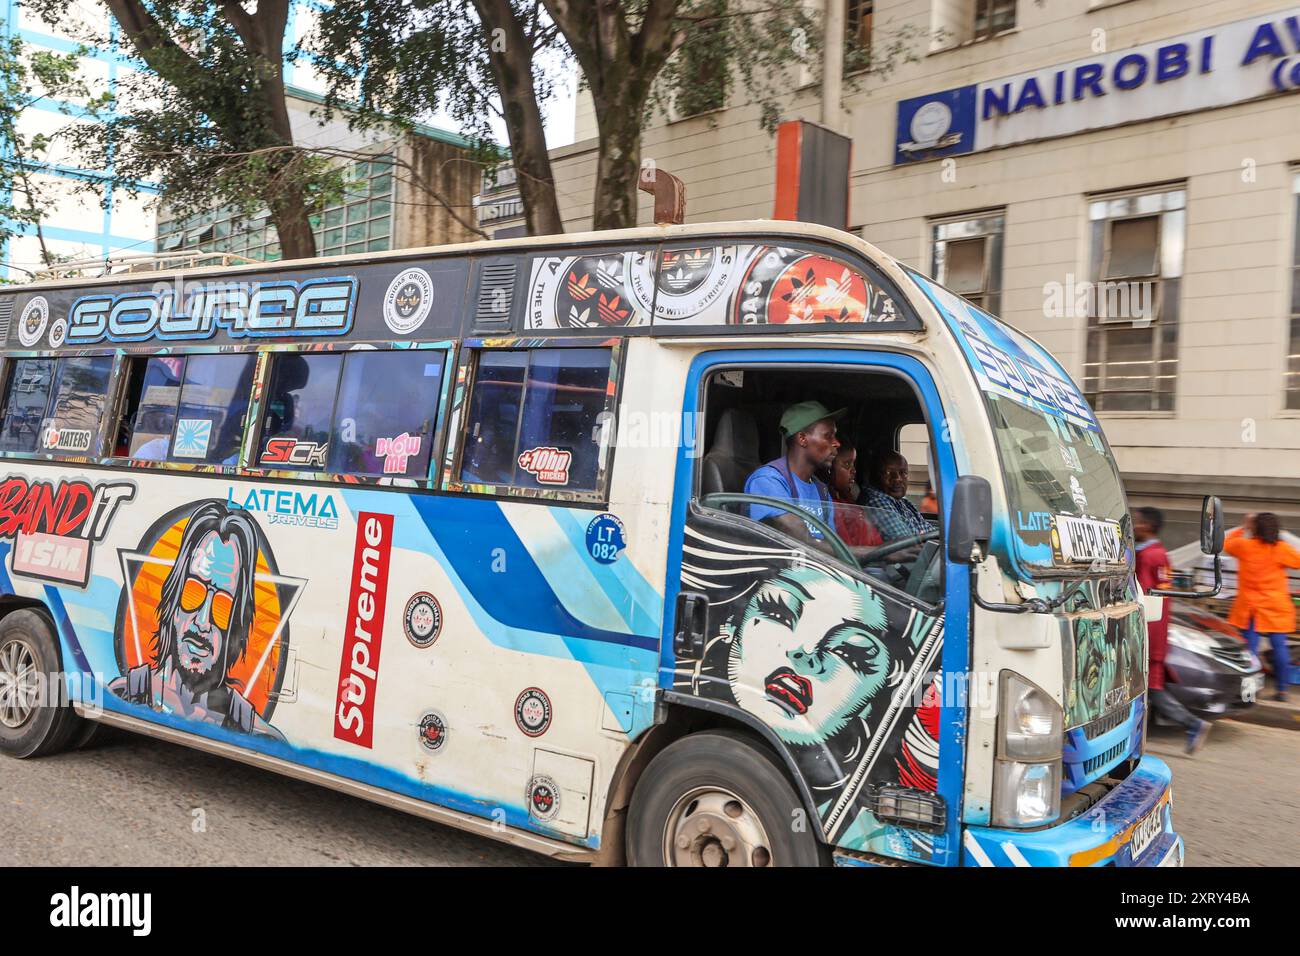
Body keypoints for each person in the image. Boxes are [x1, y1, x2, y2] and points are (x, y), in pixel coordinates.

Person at [109, 501, 284, 739]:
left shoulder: (258, 734)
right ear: (173, 596)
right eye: (193, 592)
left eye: (222, 606)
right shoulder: (122, 695)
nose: (203, 621)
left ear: (236, 627)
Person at [1133, 506, 1211, 753]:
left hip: (1147, 630)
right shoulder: (1158, 553)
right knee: (1149, 688)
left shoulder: (1147, 556)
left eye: (1136, 521)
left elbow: (1139, 596)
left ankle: (1193, 723)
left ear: (1147, 526)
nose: (1133, 526)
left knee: (1151, 689)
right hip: (1157, 628)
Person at [1225, 512, 1300, 702]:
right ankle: (1282, 691)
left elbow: (1226, 543)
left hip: (1251, 609)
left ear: (1255, 528)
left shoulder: (1244, 546)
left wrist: (1244, 527)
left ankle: (1248, 694)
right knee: (1280, 648)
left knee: (1250, 651)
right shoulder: (1282, 548)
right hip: (1277, 607)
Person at [860, 450, 932, 541]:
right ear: (875, 476)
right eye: (888, 473)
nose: (897, 479)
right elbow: (906, 543)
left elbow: (929, 531)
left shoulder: (903, 501)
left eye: (903, 473)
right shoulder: (876, 501)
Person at [828, 439, 883, 548]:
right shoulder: (834, 508)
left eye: (853, 464)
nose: (854, 471)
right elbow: (847, 551)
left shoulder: (848, 500)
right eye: (847, 464)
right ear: (829, 469)